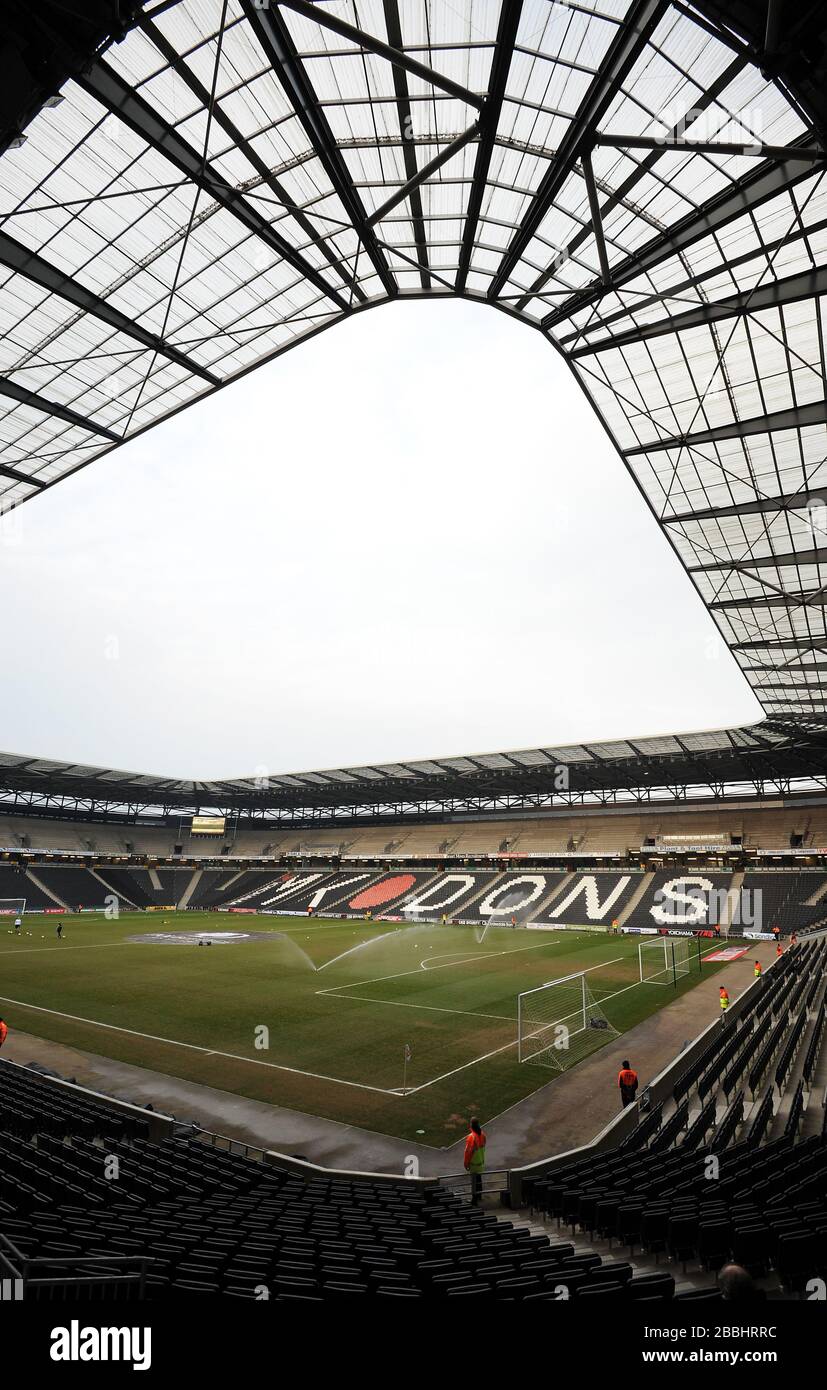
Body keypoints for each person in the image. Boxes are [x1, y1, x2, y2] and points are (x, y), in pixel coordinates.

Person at [463, 1117, 486, 1206]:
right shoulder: (482, 1135)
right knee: (479, 1179)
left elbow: (468, 1152)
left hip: (474, 1163)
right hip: (481, 1161)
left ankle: (474, 1199)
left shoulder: (471, 1137)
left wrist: (466, 1163)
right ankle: (479, 1195)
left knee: (474, 1181)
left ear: (471, 1125)